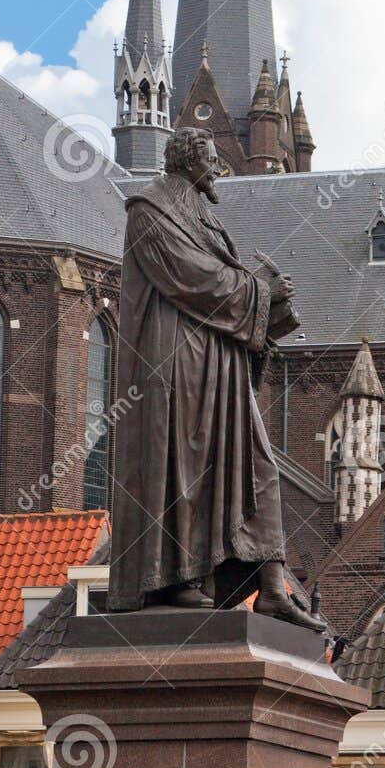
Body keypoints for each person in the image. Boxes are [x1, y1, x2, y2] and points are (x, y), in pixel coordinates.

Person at [107, 127, 322, 628]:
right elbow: (189, 277)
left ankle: (271, 588)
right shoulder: (149, 210)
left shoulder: (202, 212)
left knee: (260, 466)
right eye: (211, 159)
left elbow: (212, 278)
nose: (219, 170)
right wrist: (259, 290)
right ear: (185, 162)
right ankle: (181, 577)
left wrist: (269, 303)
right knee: (184, 467)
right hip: (176, 366)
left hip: (220, 364)